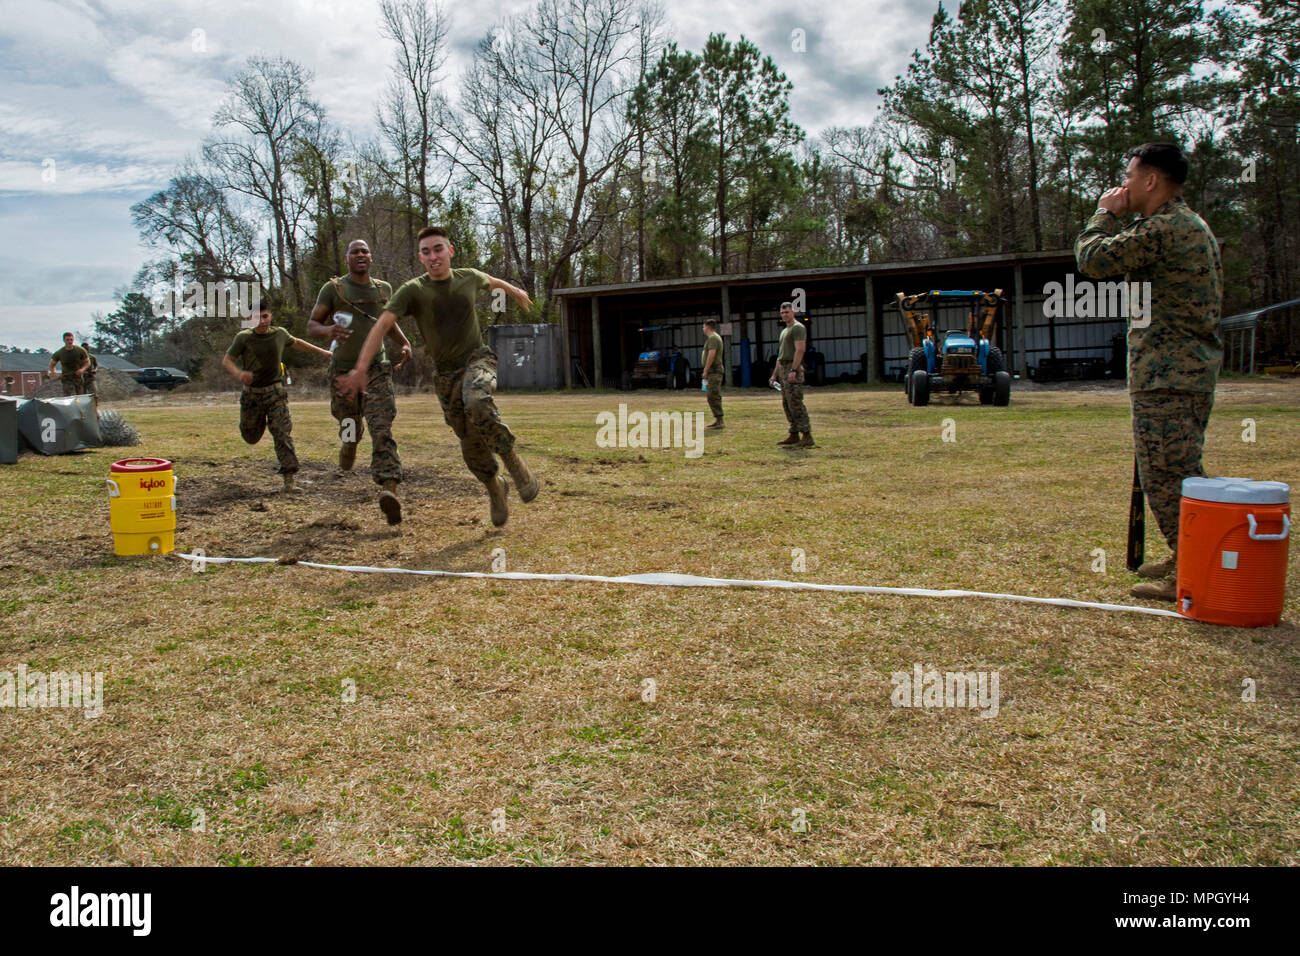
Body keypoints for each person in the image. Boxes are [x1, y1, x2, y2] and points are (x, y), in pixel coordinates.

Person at [1075, 142, 1223, 602]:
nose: (1124, 184)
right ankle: (1187, 555)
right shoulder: (1178, 225)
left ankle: (1195, 570)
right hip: (1177, 371)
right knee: (1170, 469)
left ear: (1151, 180)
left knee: (1169, 471)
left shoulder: (1165, 228)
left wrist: (1103, 214)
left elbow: (1092, 259)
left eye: (1130, 175)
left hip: (1169, 374)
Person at [337, 226, 538, 528]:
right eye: (427, 252)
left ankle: (514, 463)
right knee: (469, 442)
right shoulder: (413, 291)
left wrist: (515, 291)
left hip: (476, 359)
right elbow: (381, 327)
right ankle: (495, 488)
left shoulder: (468, 276)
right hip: (445, 377)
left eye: (439, 249)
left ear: (450, 251)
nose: (434, 257)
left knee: (478, 401)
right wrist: (360, 368)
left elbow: (493, 281)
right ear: (421, 257)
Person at [307, 239, 413, 524]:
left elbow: (386, 322)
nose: (361, 255)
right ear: (347, 259)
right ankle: (349, 442)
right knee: (349, 423)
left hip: (376, 369)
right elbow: (312, 325)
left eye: (365, 250)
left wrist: (404, 343)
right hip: (342, 371)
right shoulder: (334, 289)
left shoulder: (383, 290)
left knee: (382, 427)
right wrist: (328, 329)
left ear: (371, 256)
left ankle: (389, 488)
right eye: (355, 251)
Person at [222, 302, 332, 493]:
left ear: (270, 316)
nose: (262, 321)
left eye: (265, 316)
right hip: (252, 396)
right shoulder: (243, 338)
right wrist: (240, 375)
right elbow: (227, 360)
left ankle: (289, 481)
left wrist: (322, 352)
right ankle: (259, 423)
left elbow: (297, 342)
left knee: (282, 433)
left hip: (275, 394)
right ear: (249, 320)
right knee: (250, 437)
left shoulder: (279, 333)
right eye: (257, 318)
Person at [769, 302, 814, 448]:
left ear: (793, 312)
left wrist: (793, 370)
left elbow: (800, 350)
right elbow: (780, 356)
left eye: (787, 312)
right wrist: (774, 375)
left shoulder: (798, 328)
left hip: (791, 367)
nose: (784, 315)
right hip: (783, 367)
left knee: (795, 403)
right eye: (782, 313)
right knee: (787, 404)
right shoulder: (785, 330)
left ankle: (806, 435)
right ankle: (794, 434)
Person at [701, 318, 725, 429]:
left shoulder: (713, 338)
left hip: (714, 370)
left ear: (707, 327)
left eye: (703, 326)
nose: (703, 328)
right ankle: (718, 419)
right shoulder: (713, 338)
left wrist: (706, 370)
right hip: (713, 370)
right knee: (712, 395)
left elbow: (712, 354)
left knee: (713, 395)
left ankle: (720, 420)